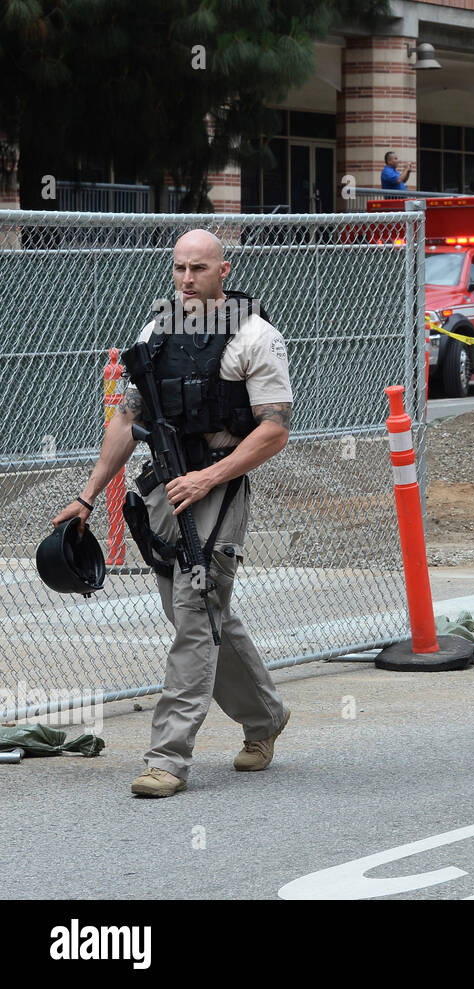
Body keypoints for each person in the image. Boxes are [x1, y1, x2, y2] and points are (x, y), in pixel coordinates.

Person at [52, 229, 294, 798]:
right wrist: (88, 496)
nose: (188, 280)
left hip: (218, 484)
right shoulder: (157, 331)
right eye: (180, 268)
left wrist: (209, 476)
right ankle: (264, 718)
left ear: (224, 271)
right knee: (202, 613)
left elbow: (275, 429)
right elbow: (125, 419)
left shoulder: (256, 337)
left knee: (195, 612)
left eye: (200, 269)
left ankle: (168, 757)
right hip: (165, 485)